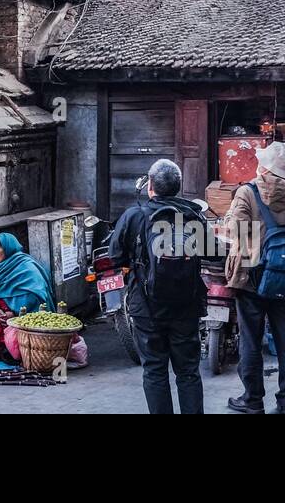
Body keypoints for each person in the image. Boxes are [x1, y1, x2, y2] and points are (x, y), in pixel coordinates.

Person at [108, 158, 210, 414]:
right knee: (188, 371)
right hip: (187, 304)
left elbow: (115, 256)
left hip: (146, 305)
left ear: (149, 186)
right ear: (178, 186)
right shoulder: (193, 216)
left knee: (154, 369)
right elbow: (214, 253)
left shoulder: (135, 215)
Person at [224, 141, 285, 414]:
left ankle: (252, 402)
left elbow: (232, 232)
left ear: (264, 167)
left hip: (249, 278)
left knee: (250, 339)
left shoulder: (247, 193)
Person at [0, 232, 55, 360]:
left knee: (13, 337)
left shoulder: (26, 268)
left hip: (22, 319)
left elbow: (36, 297)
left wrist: (13, 314)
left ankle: (7, 349)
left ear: (7, 249)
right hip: (0, 313)